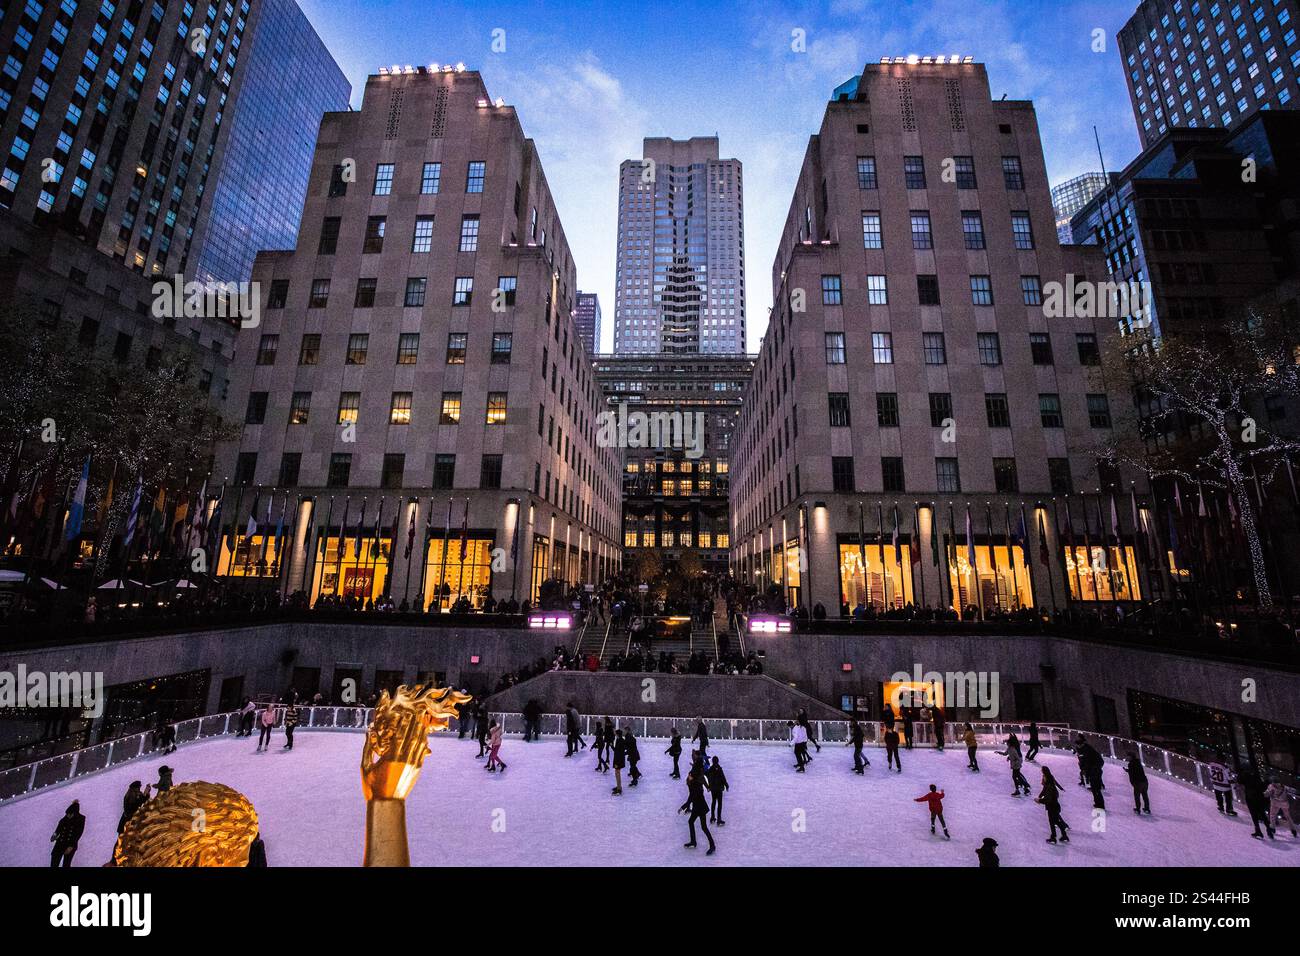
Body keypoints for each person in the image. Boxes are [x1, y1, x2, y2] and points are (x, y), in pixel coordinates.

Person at [678, 764, 716, 855]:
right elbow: (691, 797)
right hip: (696, 807)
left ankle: (712, 845)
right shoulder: (691, 784)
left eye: (690, 775)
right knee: (691, 822)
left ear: (693, 777)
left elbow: (691, 797)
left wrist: (683, 807)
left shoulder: (695, 785)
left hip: (701, 808)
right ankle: (693, 842)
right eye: (688, 775)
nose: (688, 776)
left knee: (704, 827)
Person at [1037, 766, 1070, 844]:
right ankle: (1062, 835)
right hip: (1053, 807)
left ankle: (1055, 837)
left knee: (1054, 822)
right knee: (1055, 821)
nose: (1042, 779)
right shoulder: (1049, 785)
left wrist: (1039, 800)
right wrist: (1040, 797)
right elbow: (1044, 790)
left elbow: (1048, 799)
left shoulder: (1050, 787)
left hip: (1052, 807)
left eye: (1043, 777)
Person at [1239, 767, 1274, 840]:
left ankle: (1258, 830)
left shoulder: (1245, 778)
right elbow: (1263, 786)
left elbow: (1240, 781)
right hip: (1259, 798)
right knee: (1262, 813)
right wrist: (1267, 781)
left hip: (1250, 798)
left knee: (1254, 814)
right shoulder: (1257, 779)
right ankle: (1268, 829)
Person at [49, 801, 85, 867]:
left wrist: (71, 846)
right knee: (54, 860)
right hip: (60, 843)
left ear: (74, 813)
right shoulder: (64, 818)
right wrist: (54, 835)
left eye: (69, 814)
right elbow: (58, 828)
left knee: (66, 865)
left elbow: (78, 833)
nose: (68, 815)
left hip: (70, 843)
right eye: (67, 814)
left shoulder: (81, 819)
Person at [1078, 741, 1105, 809]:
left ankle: (1100, 804)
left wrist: (1089, 770)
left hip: (1094, 773)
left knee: (1096, 789)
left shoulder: (1088, 753)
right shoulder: (1089, 752)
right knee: (1095, 789)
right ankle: (1098, 803)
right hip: (1094, 772)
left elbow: (1087, 764)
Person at [707, 756, 729, 825]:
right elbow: (723, 778)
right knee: (719, 803)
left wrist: (710, 786)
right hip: (719, 788)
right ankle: (719, 819)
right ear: (718, 761)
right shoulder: (719, 769)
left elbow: (709, 778)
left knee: (713, 802)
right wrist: (726, 785)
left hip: (713, 789)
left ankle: (712, 817)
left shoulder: (710, 769)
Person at [611, 729, 627, 795]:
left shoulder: (620, 741)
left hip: (618, 760)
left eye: (615, 733)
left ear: (617, 734)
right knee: (617, 773)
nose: (615, 734)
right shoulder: (620, 740)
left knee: (617, 773)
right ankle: (618, 786)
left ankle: (619, 789)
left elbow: (617, 751)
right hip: (619, 759)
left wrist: (612, 746)